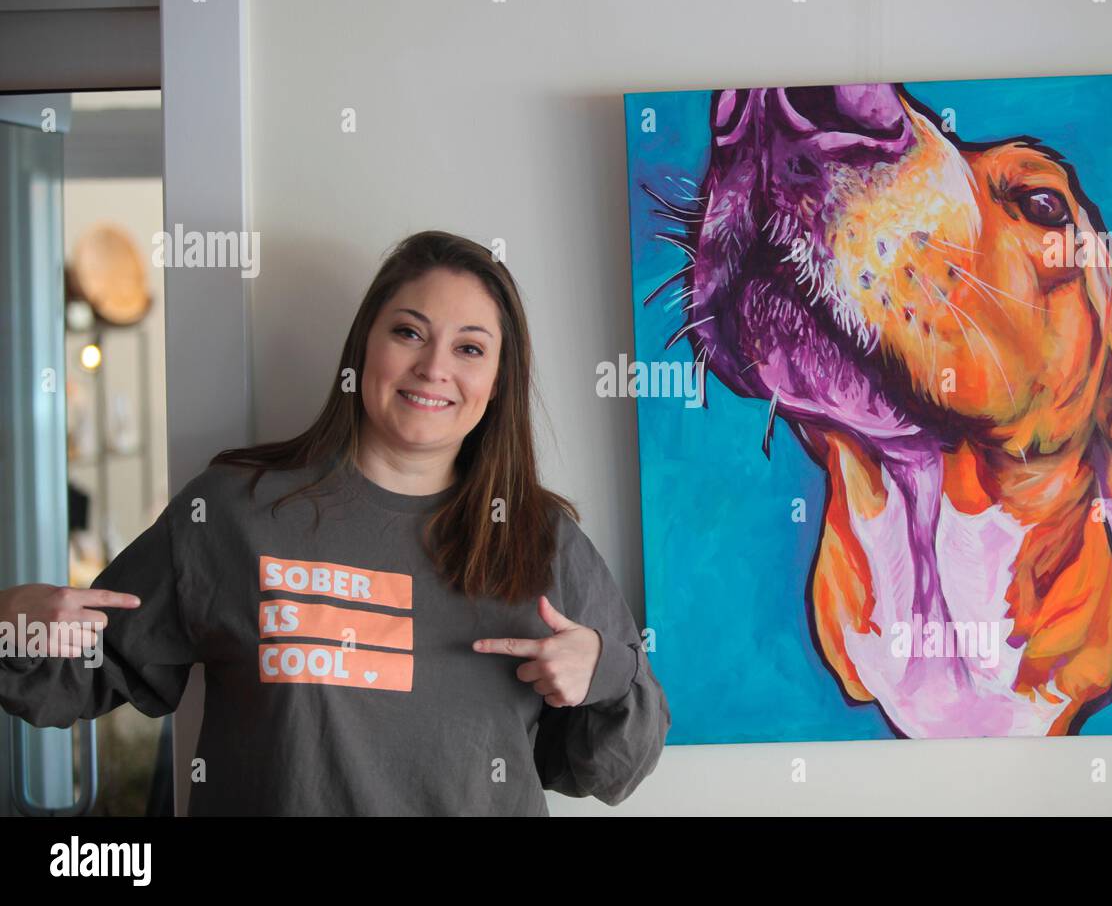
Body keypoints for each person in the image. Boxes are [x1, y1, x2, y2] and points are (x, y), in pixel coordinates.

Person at [0, 230, 670, 815]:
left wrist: (606, 671)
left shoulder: (543, 541)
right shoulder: (233, 513)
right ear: (363, 349)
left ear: (498, 382)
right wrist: (11, 621)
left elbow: (612, 771)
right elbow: (84, 675)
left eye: (470, 349)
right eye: (409, 332)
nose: (433, 367)